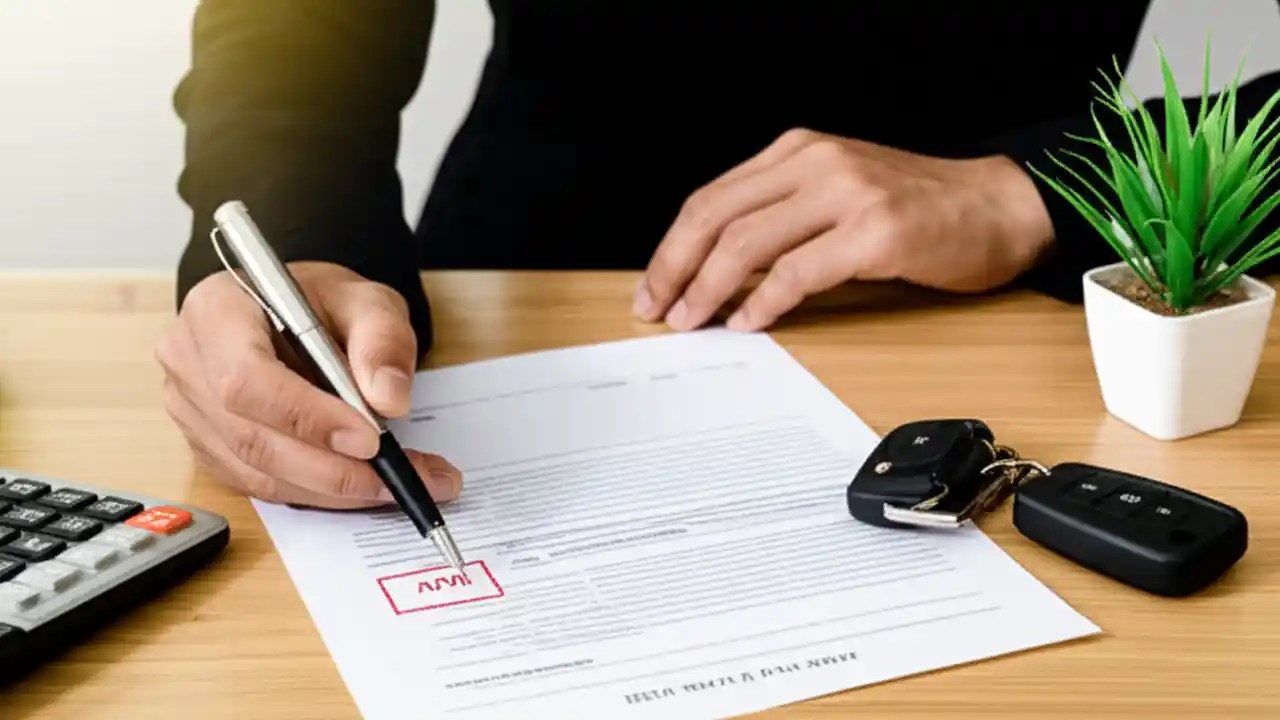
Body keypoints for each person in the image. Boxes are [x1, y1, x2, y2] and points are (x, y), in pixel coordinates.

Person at [157, 1, 1280, 510]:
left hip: (1029, 314)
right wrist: (302, 249)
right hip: (517, 304)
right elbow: (296, 23)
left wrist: (1037, 184)